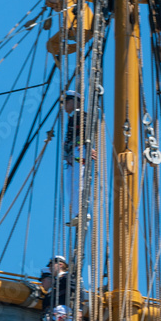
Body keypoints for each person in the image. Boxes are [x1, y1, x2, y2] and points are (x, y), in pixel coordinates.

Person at [62, 89, 94, 224]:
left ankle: (82, 212)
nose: (64, 106)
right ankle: (77, 213)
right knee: (70, 186)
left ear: (74, 102)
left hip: (78, 152)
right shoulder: (72, 118)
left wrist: (85, 147)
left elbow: (86, 133)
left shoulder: (81, 116)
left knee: (77, 182)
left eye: (66, 102)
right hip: (71, 157)